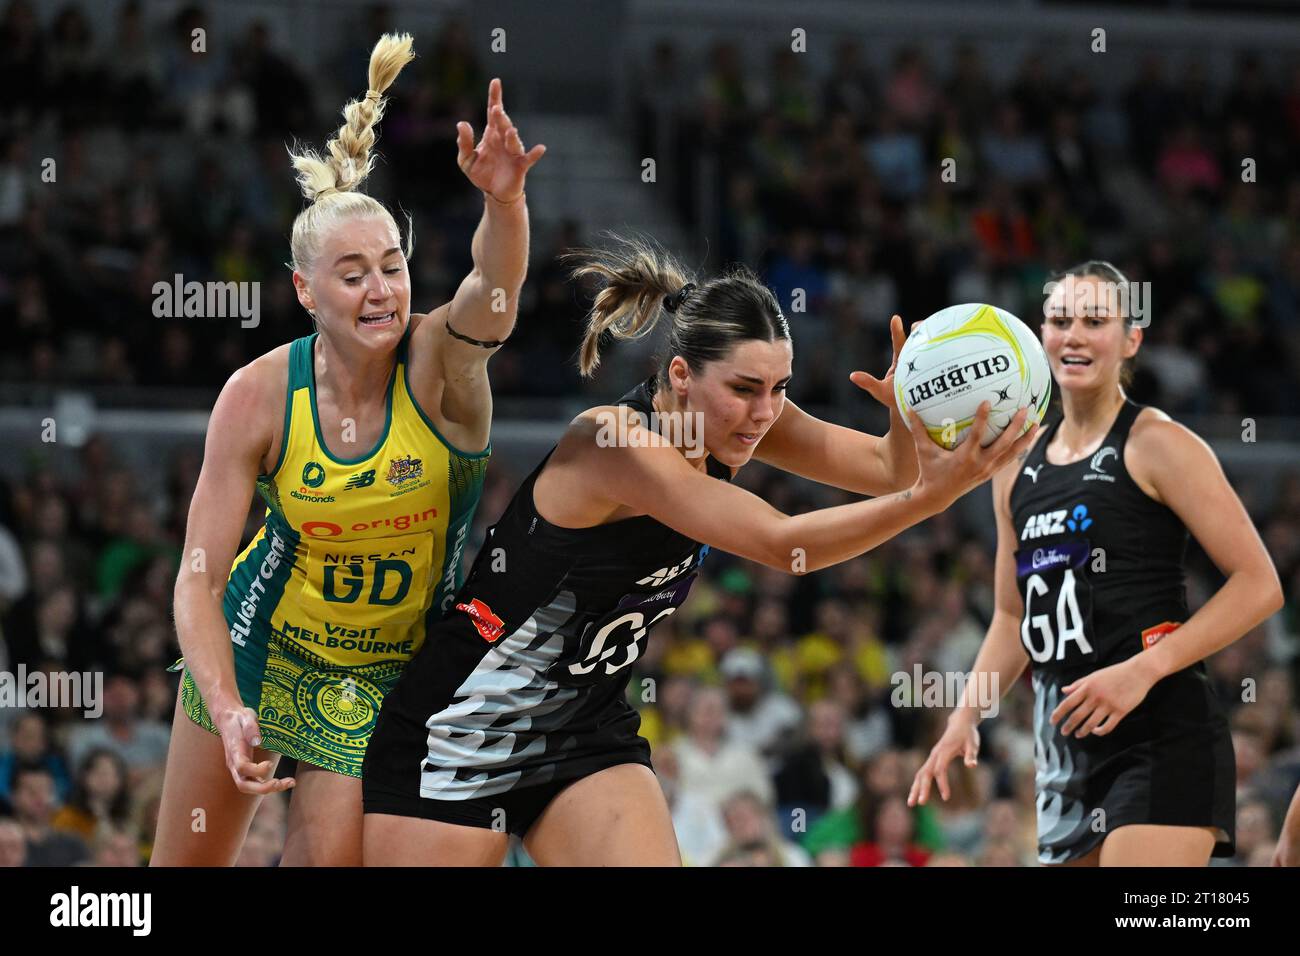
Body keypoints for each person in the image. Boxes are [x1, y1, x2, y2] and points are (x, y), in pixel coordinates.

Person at [362, 235, 1035, 865]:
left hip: (584, 726)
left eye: (780, 388)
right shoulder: (614, 442)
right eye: (745, 389)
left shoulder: (742, 420)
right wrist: (929, 499)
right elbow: (784, 545)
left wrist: (908, 421)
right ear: (681, 375)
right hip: (461, 723)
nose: (764, 412)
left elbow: (889, 470)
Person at [151, 34, 545, 866]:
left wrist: (504, 207)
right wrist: (224, 707)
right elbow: (199, 576)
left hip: (381, 672)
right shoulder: (257, 395)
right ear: (304, 291)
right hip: (258, 641)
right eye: (353, 273)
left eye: (393, 267)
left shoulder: (439, 363)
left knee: (326, 858)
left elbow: (495, 300)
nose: (381, 292)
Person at [909, 261, 1284, 866]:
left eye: (1094, 320)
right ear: (1039, 335)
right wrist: (965, 716)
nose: (1074, 334)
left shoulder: (1158, 443)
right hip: (1064, 753)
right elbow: (1012, 619)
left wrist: (1144, 669)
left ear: (1131, 339)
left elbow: (1260, 585)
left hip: (1160, 734)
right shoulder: (1014, 464)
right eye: (1060, 320)